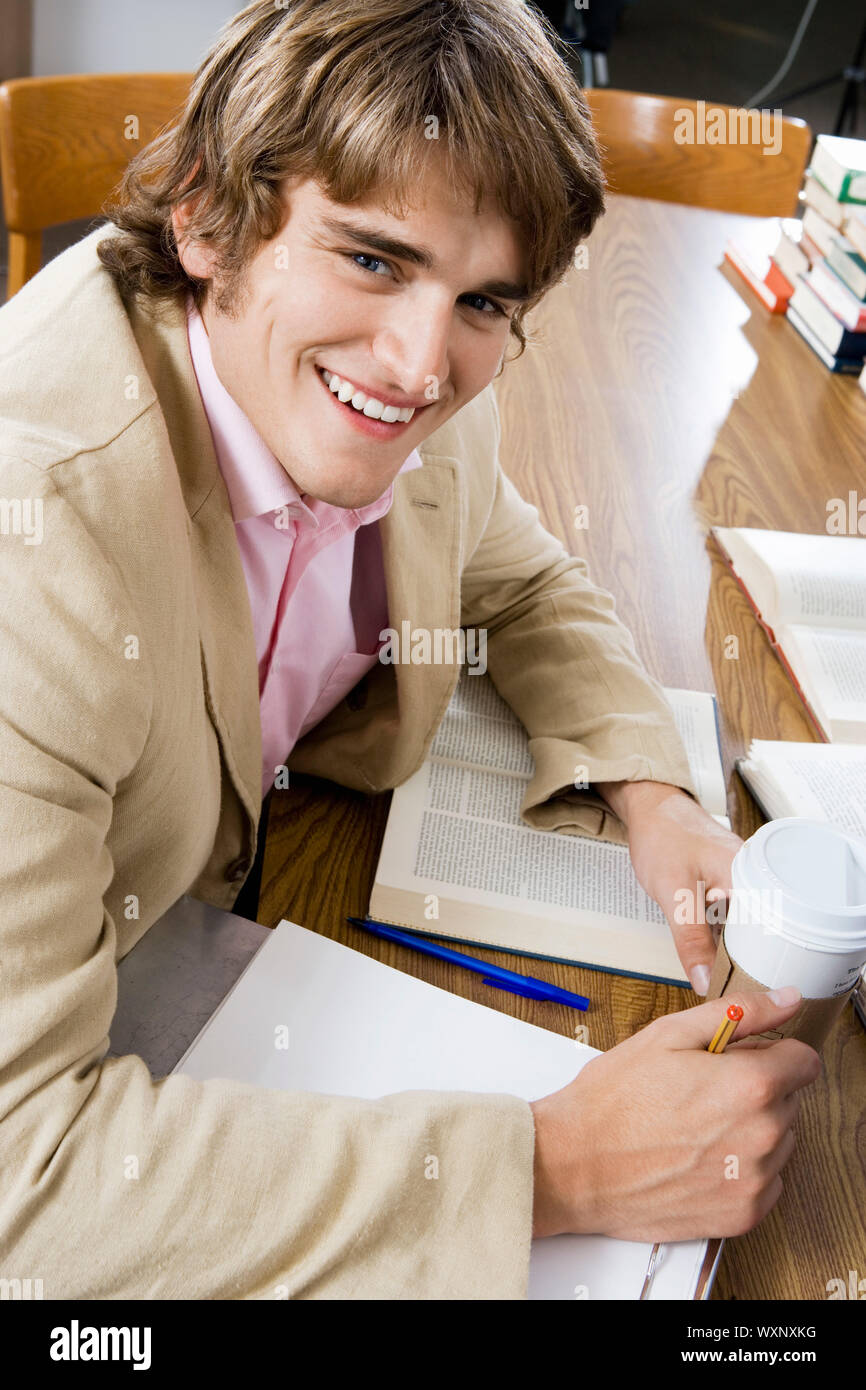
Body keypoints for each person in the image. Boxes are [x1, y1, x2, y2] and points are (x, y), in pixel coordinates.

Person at [0, 0, 819, 1299]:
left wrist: (654, 797)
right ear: (208, 218)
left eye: (483, 297)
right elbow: (20, 1185)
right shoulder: (30, 546)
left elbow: (524, 581)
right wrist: (553, 1167)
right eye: (372, 260)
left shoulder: (405, 395)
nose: (422, 363)